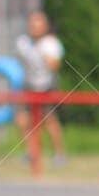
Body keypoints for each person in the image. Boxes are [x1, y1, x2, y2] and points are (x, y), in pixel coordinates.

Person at [14, 10, 66, 167]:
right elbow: (20, 62)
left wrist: (45, 56)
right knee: (22, 119)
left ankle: (59, 155)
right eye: (32, 24)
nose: (34, 27)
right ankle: (32, 153)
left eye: (38, 24)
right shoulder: (22, 43)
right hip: (29, 85)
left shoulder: (51, 44)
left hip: (46, 86)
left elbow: (56, 66)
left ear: (45, 26)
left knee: (49, 121)